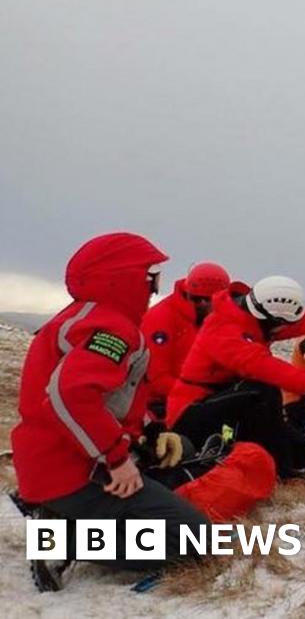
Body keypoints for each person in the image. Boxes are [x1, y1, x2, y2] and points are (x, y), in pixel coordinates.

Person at [10, 233, 210, 589]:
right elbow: (68, 396)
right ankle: (61, 539)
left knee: (185, 454)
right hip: (73, 469)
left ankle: (61, 512)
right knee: (194, 541)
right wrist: (117, 458)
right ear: (126, 278)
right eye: (151, 275)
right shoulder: (112, 328)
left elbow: (112, 399)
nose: (155, 285)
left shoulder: (91, 317)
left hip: (57, 459)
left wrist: (149, 432)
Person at [167, 273, 305, 478]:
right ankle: (282, 472)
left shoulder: (256, 319)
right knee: (264, 389)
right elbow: (258, 365)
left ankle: (276, 462)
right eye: (284, 323)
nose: (287, 329)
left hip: (230, 408)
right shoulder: (223, 327)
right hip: (190, 414)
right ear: (272, 318)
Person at [141, 262, 231, 420]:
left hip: (202, 399)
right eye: (198, 299)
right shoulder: (161, 318)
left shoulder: (220, 321)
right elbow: (156, 380)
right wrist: (206, 394)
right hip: (161, 406)